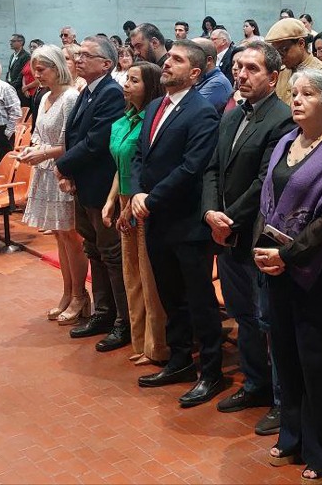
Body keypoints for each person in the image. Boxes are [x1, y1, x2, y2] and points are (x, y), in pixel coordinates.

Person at [254, 67, 322, 485]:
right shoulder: (287, 141)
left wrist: (287, 254)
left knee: (318, 360)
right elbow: (268, 199)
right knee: (286, 354)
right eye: (295, 93)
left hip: (319, 268)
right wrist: (264, 251)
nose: (296, 100)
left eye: (308, 94)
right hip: (279, 263)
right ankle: (293, 435)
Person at [201, 41, 294, 435]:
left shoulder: (283, 118)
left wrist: (229, 219)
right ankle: (255, 384)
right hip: (225, 232)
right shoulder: (230, 115)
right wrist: (210, 213)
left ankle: (280, 399)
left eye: (252, 68)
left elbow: (265, 181)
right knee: (243, 315)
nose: (241, 74)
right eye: (237, 67)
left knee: (267, 319)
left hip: (254, 232)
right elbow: (211, 170)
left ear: (273, 77)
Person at [132, 40, 225, 409]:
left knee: (199, 301)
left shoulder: (202, 112)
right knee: (171, 297)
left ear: (196, 72)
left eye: (177, 60)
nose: (167, 63)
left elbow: (192, 168)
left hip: (186, 223)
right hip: (156, 219)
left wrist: (149, 199)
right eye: (168, 57)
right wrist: (138, 192)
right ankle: (180, 360)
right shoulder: (156, 105)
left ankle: (212, 372)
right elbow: (141, 155)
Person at [54, 37, 130, 349]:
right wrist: (69, 171)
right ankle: (103, 311)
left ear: (106, 64)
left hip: (101, 188)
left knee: (111, 254)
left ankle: (122, 322)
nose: (79, 59)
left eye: (87, 55)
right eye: (79, 54)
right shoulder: (88, 90)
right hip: (84, 186)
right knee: (94, 251)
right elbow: (74, 136)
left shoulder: (110, 92)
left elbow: (98, 140)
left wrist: (63, 164)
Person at [102, 61, 168, 366]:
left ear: (150, 85)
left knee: (148, 275)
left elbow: (144, 167)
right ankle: (139, 340)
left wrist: (129, 205)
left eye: (133, 80)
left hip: (143, 202)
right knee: (131, 275)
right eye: (126, 79)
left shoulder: (151, 123)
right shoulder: (124, 119)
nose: (125, 84)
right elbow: (120, 167)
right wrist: (111, 200)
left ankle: (157, 346)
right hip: (125, 200)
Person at [18, 46, 89, 322]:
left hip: (62, 172)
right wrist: (30, 150)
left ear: (57, 67)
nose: (37, 75)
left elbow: (71, 144)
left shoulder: (71, 97)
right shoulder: (45, 96)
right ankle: (67, 292)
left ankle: (81, 296)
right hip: (45, 171)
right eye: (35, 69)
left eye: (42, 69)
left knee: (72, 237)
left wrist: (43, 153)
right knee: (59, 235)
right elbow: (38, 133)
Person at [267, 18, 322, 104]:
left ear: (301, 43)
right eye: (276, 52)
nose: (280, 57)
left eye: (283, 50)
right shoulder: (280, 72)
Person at [190, 37, 232, 113]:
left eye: (191, 57)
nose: (187, 61)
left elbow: (188, 112)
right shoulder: (198, 78)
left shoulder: (218, 83)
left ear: (208, 60)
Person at [7, 34, 32, 107]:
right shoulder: (12, 55)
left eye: (13, 41)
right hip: (11, 87)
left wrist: (11, 87)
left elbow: (22, 74)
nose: (10, 43)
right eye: (10, 41)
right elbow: (10, 72)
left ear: (21, 42)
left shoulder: (26, 56)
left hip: (19, 89)